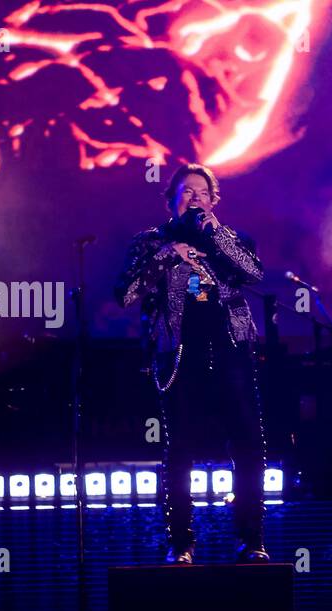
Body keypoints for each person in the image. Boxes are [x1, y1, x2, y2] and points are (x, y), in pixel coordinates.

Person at [115, 163, 269, 563]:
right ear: (171, 201)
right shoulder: (150, 243)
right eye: (187, 192)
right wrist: (167, 256)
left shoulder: (232, 239)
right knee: (180, 448)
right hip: (179, 353)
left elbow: (254, 272)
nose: (195, 199)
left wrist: (215, 234)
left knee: (249, 444)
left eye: (203, 193)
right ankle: (181, 541)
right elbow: (126, 294)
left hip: (232, 351)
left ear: (214, 201)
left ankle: (252, 539)